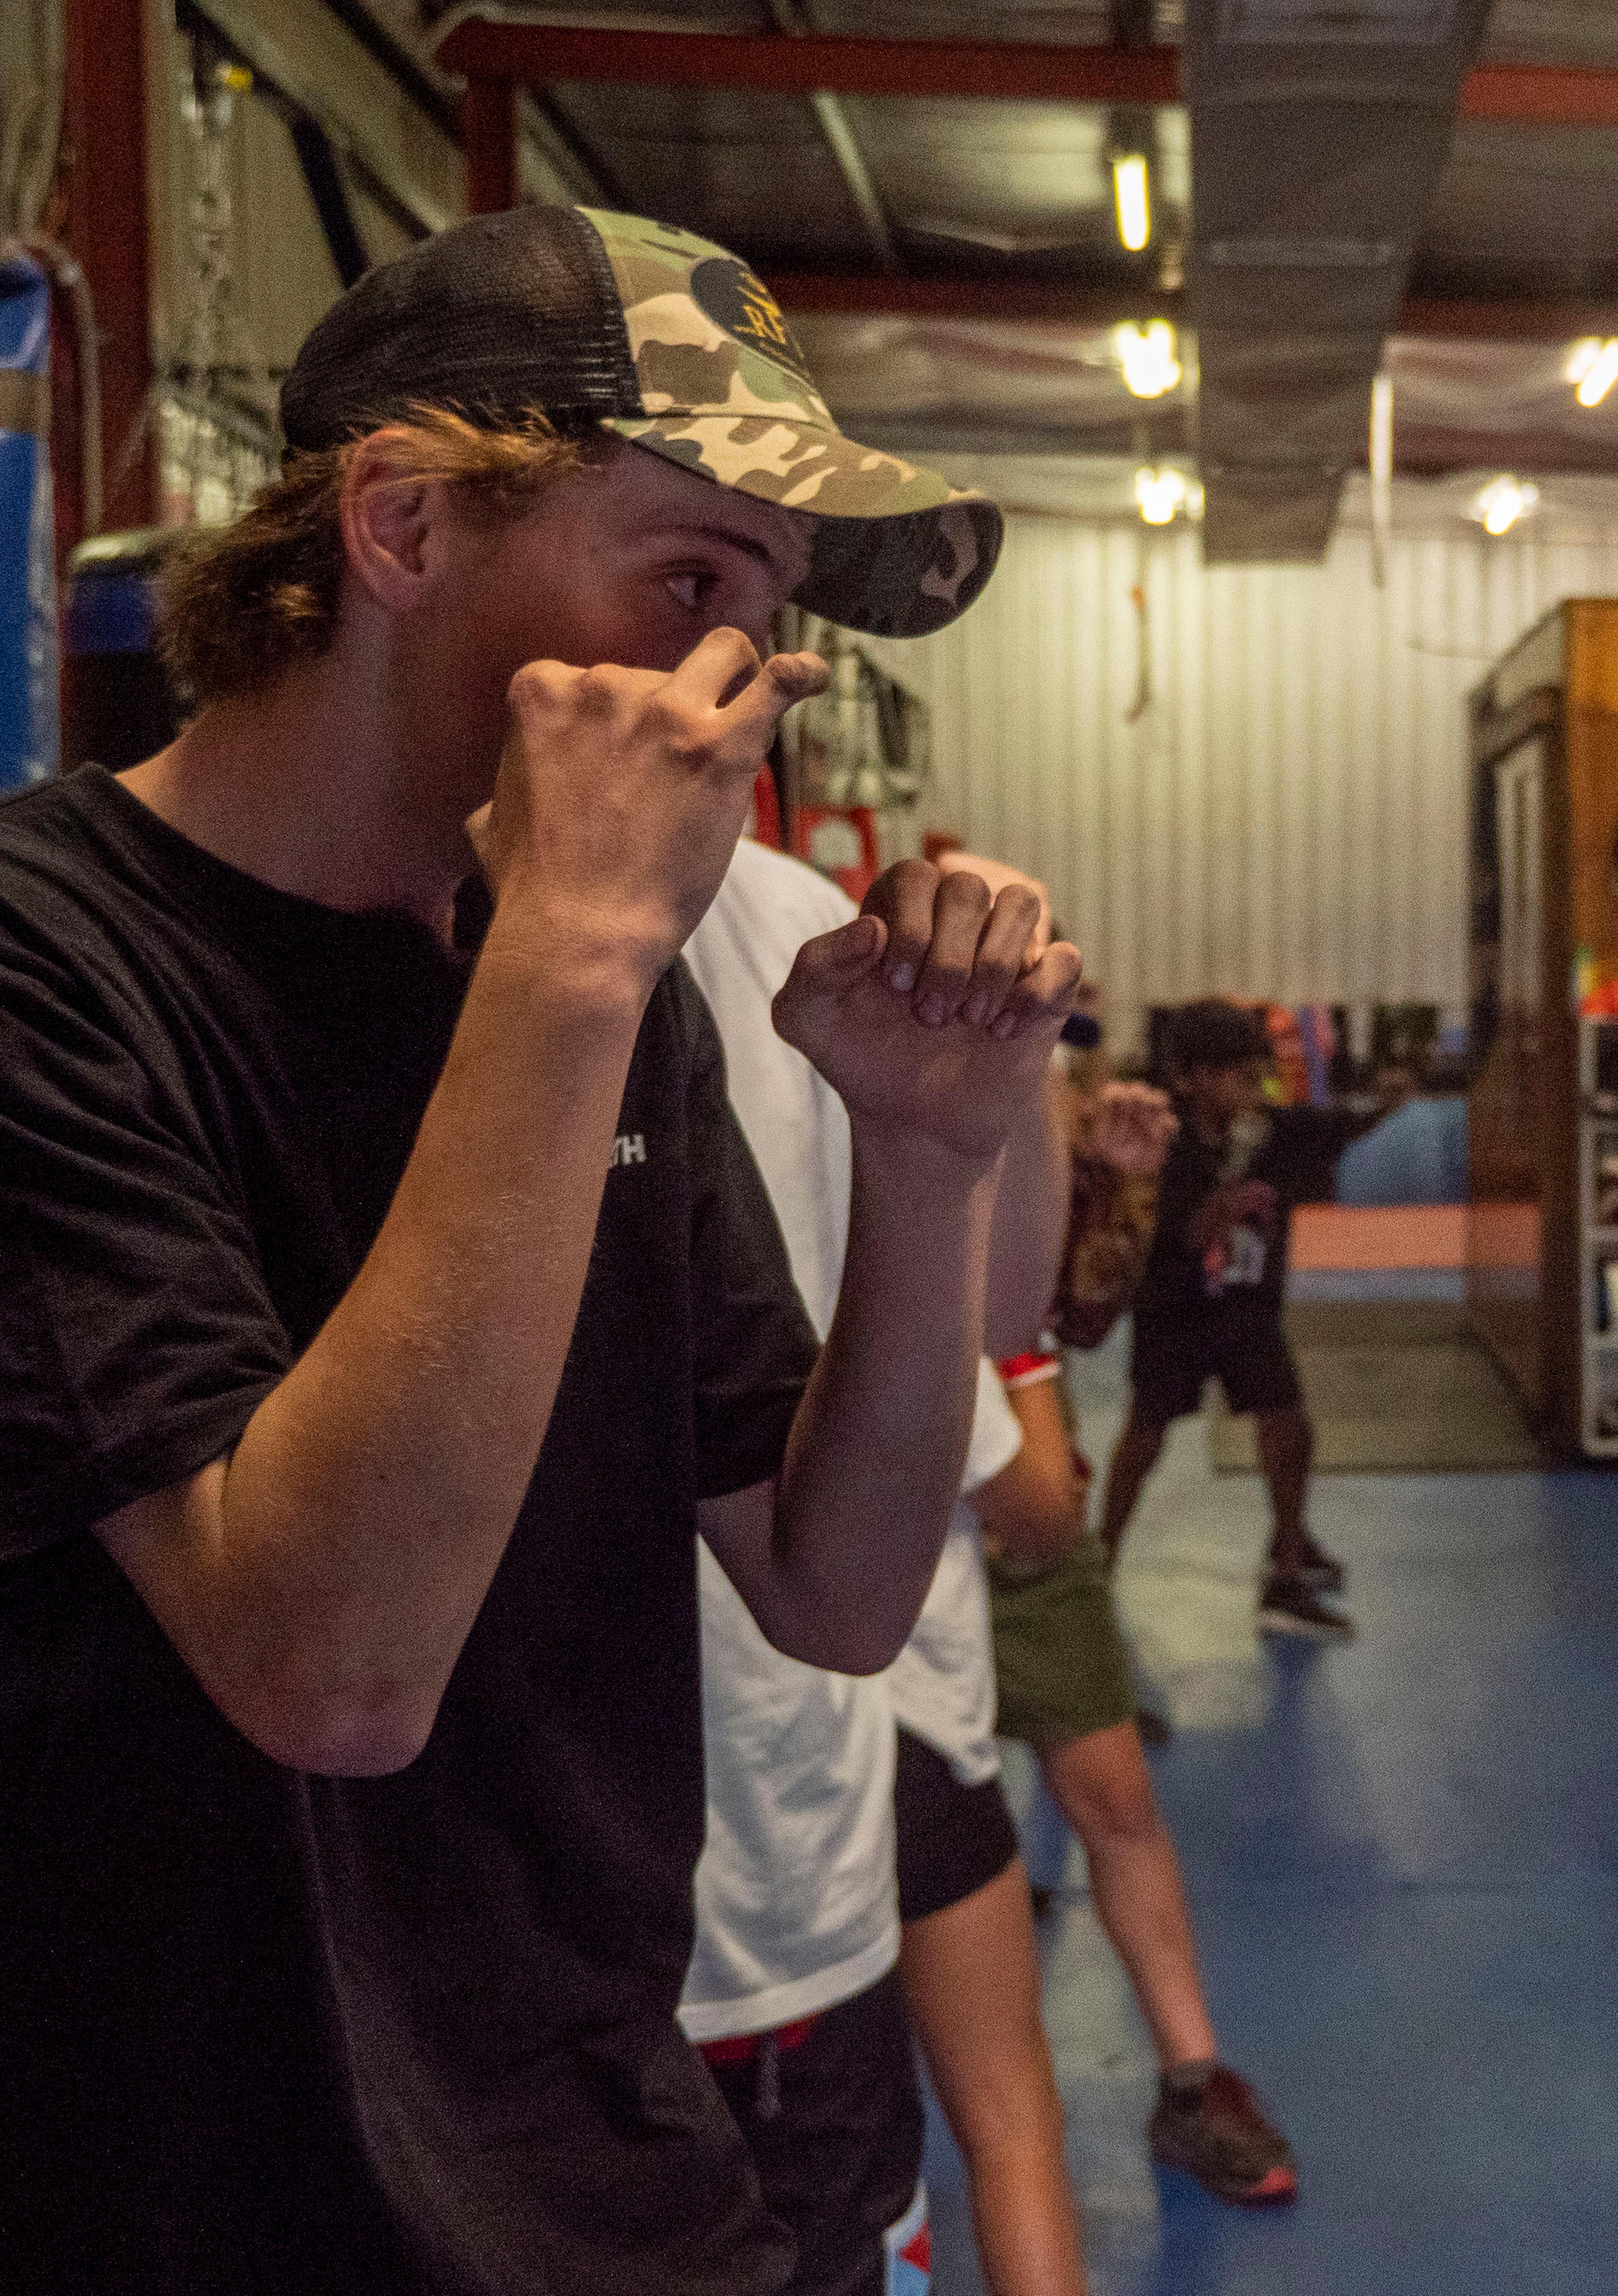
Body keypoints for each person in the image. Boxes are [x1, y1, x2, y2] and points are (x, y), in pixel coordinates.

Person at [0, 203, 1065, 2292]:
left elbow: (836, 1586)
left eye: (775, 612)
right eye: (691, 582)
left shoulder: (611, 1003)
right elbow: (329, 1666)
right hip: (142, 2206)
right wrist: (565, 948)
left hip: (595, 2173)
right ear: (400, 524)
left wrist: (927, 1158)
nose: (750, 688)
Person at [679, 829, 1089, 2296]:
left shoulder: (799, 939)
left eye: (756, 590)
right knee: (1006, 2106)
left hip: (815, 1796)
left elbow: (1001, 1341)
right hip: (532, 1897)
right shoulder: (359, 922)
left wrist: (1001, 1088)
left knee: (987, 2116)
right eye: (685, 578)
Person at [986, 1351, 1301, 2204]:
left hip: (1007, 1508)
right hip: (843, 1509)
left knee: (1116, 1801)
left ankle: (1191, 2082)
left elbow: (1039, 1307)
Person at [1099, 998, 1400, 1640]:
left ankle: (1285, 1572)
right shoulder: (1166, 1142)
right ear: (1193, 1078)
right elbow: (1181, 1232)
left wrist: (1392, 1098)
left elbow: (1339, 1129)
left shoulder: (1277, 1131)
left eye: (1256, 1072)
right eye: (1237, 1074)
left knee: (1288, 1429)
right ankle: (1099, 1567)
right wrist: (1230, 1171)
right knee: (1143, 1440)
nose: (1251, 1088)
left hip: (1246, 1311)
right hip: (1173, 1313)